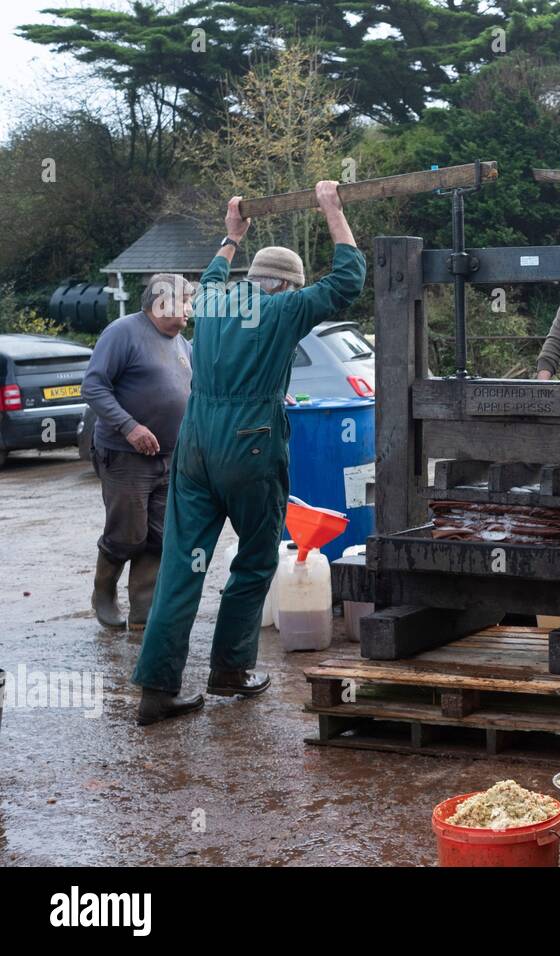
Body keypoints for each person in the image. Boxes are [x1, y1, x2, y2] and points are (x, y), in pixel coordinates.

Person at [131, 181, 366, 726]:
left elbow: (213, 273)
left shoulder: (212, 300)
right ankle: (230, 669)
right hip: (249, 443)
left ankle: (157, 688)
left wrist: (230, 237)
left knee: (181, 566)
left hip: (194, 446)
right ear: (286, 286)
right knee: (258, 556)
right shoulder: (285, 309)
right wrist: (333, 209)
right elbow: (349, 278)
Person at [82, 274, 195, 630]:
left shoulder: (182, 344)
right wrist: (130, 427)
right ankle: (103, 593)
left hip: (169, 456)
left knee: (158, 536)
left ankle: (143, 612)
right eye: (185, 303)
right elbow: (93, 386)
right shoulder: (123, 332)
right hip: (125, 455)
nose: (190, 310)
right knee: (128, 533)